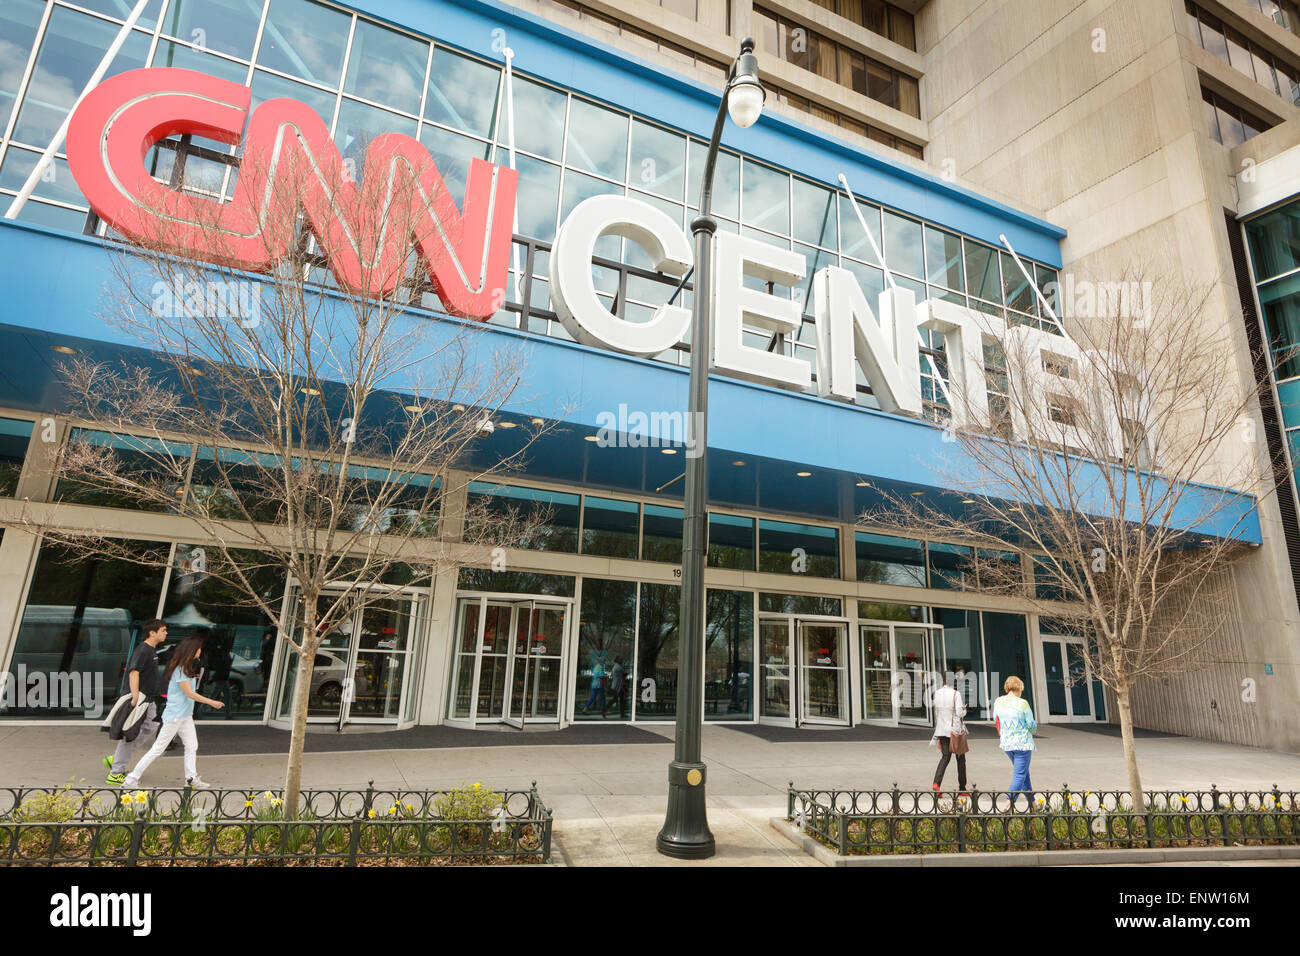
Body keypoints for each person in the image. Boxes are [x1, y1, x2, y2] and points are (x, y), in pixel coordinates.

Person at [122, 635, 224, 789]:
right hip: (175, 716)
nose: (200, 651)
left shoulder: (188, 667)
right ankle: (131, 779)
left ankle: (191, 778)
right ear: (192, 651)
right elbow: (189, 693)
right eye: (198, 649)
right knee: (158, 749)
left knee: (192, 745)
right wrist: (212, 702)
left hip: (184, 715)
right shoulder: (181, 669)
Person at [103, 619, 168, 786]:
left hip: (148, 699)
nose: (165, 633)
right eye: (163, 630)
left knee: (151, 727)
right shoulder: (143, 650)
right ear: (152, 633)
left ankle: (117, 759)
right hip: (140, 698)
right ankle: (116, 772)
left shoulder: (151, 651)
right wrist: (135, 696)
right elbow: (133, 673)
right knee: (131, 733)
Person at [993, 675, 1037, 808]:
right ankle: (1009, 803)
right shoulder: (1022, 703)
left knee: (1023, 772)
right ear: (1019, 688)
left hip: (1007, 743)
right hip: (1022, 743)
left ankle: (1033, 803)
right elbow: (1031, 725)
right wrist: (1033, 728)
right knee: (1020, 774)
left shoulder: (998, 701)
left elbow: (997, 720)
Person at [930, 676, 968, 796]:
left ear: (944, 681)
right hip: (954, 731)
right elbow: (959, 712)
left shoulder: (937, 693)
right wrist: (964, 710)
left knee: (945, 757)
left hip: (942, 729)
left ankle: (936, 784)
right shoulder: (956, 694)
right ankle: (962, 788)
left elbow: (937, 712)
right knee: (960, 759)